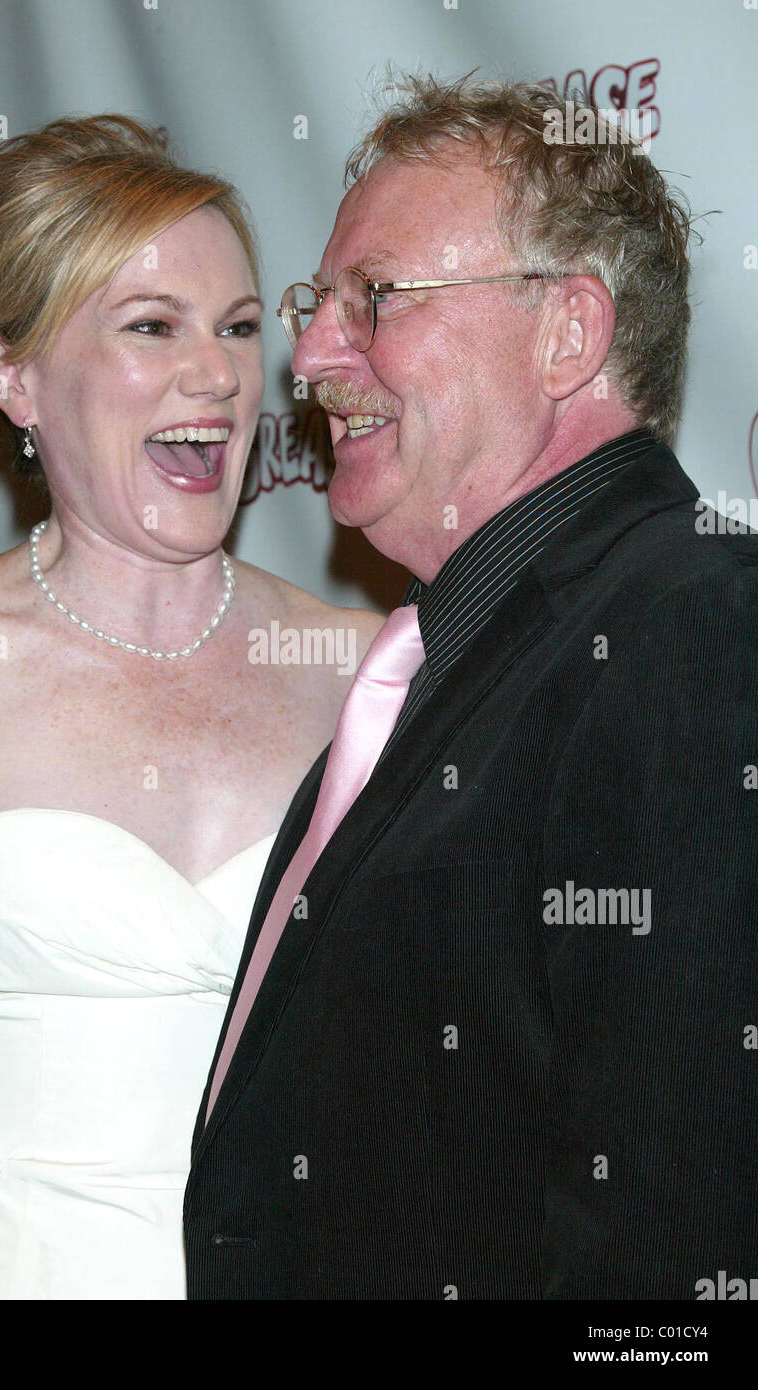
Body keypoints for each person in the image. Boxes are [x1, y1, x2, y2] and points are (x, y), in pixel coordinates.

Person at [182, 75, 758, 1298]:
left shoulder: (695, 625)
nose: (312, 353)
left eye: (374, 299)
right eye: (317, 302)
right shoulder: (447, 663)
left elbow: (683, 1220)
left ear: (570, 333)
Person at [0, 113, 380, 1299]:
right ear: (11, 374)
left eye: (241, 328)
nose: (221, 374)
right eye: (153, 326)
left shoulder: (367, 672)